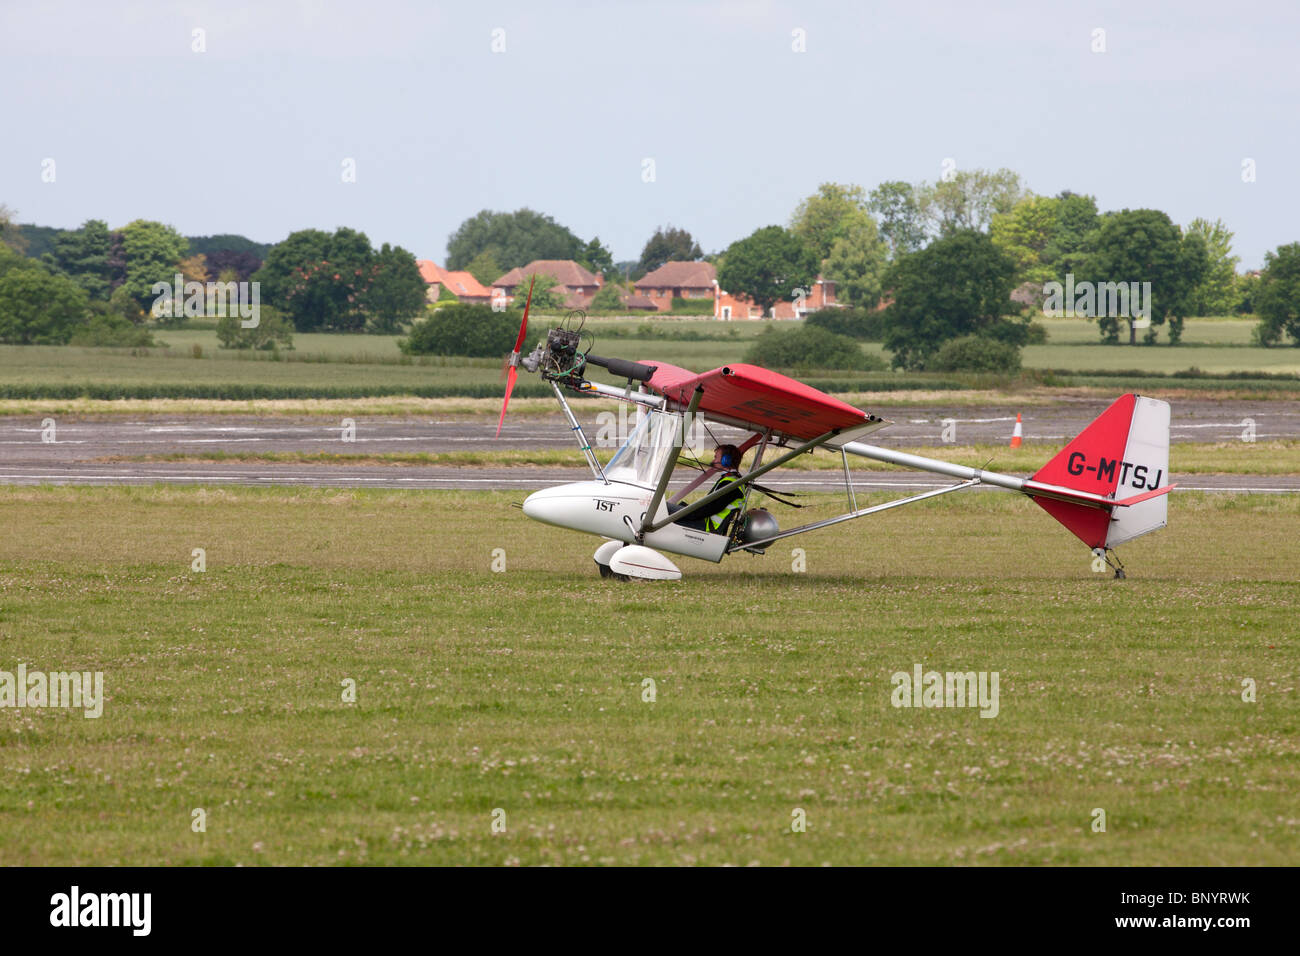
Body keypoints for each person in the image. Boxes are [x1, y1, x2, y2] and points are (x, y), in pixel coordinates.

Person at [674, 444, 745, 534]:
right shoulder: (733, 481)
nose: (713, 461)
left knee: (665, 509)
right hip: (706, 522)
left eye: (716, 457)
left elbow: (711, 508)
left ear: (725, 460)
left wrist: (686, 514)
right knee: (668, 508)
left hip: (708, 527)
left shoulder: (731, 485)